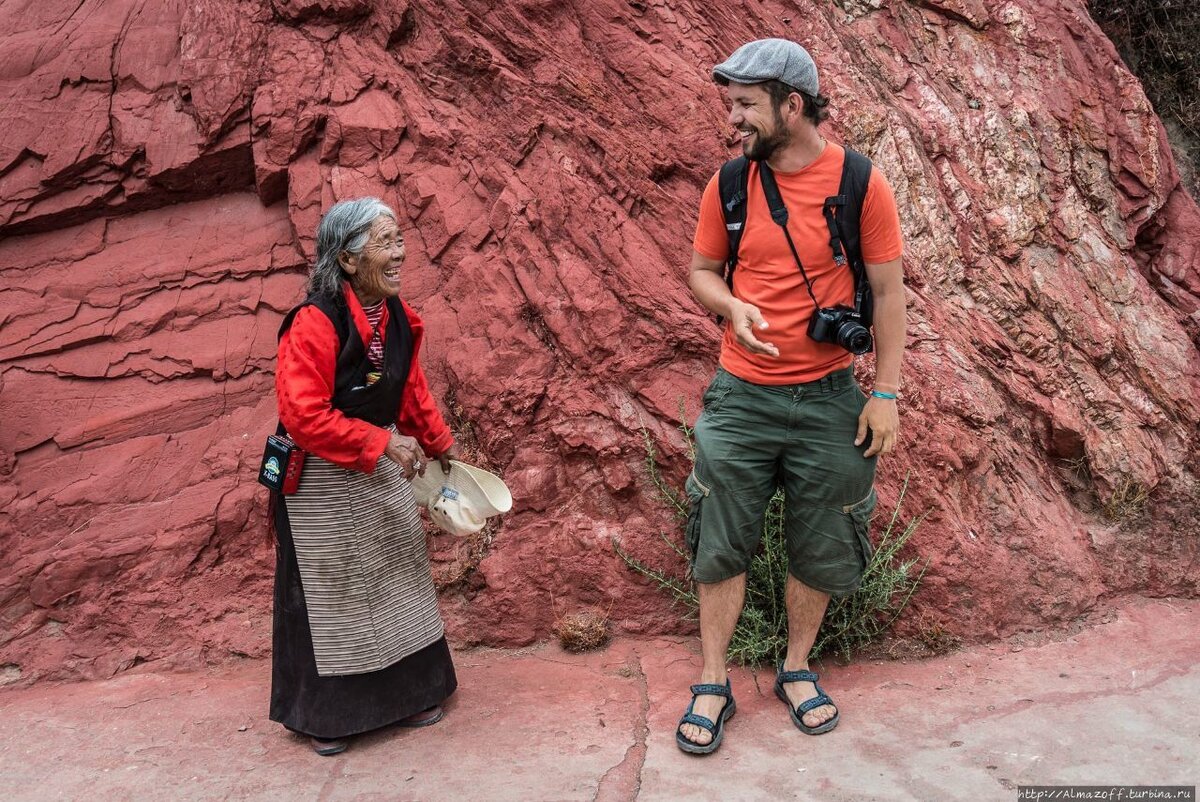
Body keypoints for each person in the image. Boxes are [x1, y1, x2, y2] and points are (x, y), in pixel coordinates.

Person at [676, 39, 906, 754]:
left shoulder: (862, 183)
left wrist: (887, 395)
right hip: (741, 397)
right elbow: (702, 271)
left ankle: (796, 667)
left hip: (833, 396)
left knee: (825, 536)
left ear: (791, 105)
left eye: (745, 105)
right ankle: (713, 681)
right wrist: (731, 308)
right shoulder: (730, 184)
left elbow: (892, 293)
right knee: (721, 537)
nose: (733, 119)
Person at [269, 197, 461, 756]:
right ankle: (326, 716)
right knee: (335, 593)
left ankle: (409, 694)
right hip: (319, 476)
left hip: (378, 462)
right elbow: (303, 415)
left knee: (400, 572)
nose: (400, 254)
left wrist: (439, 444)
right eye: (385, 243)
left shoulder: (396, 315)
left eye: (400, 240)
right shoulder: (315, 321)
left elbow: (410, 387)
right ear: (349, 261)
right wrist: (380, 443)